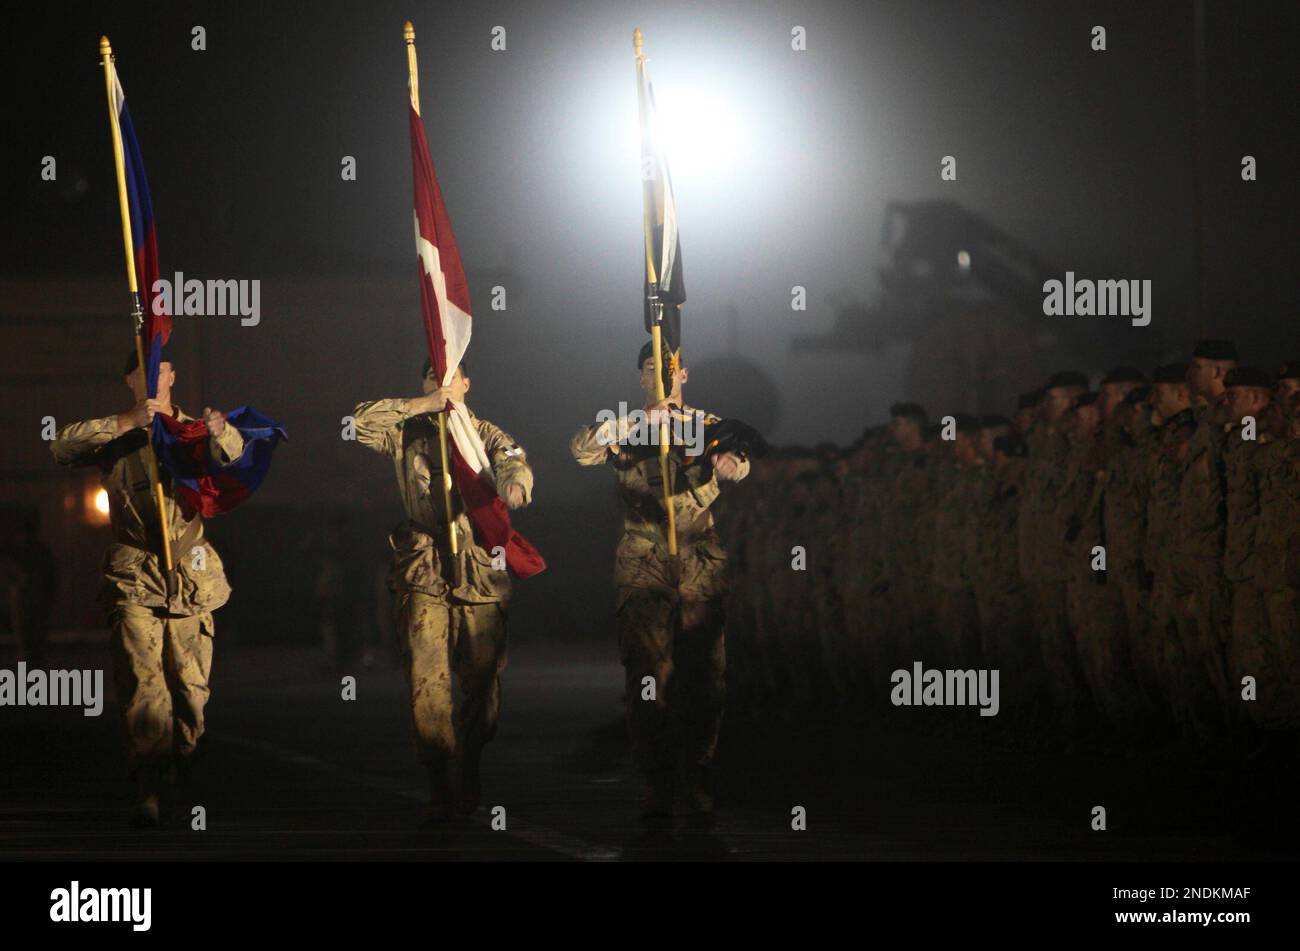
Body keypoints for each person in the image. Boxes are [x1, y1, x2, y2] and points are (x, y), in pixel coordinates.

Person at [51, 351, 244, 826]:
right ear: (130, 380)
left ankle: (186, 763)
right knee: (142, 685)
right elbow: (62, 447)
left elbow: (236, 460)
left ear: (174, 376)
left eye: (162, 370)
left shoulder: (194, 430)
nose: (155, 379)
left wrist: (222, 432)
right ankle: (150, 785)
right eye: (144, 371)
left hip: (190, 574)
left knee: (191, 689)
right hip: (135, 574)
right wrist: (124, 422)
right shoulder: (118, 433)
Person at [570, 342, 749, 820]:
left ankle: (699, 773)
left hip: (697, 558)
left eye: (668, 368)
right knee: (649, 675)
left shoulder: (707, 426)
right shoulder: (625, 426)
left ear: (684, 374)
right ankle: (657, 780)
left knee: (705, 676)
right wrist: (639, 419)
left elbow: (739, 456)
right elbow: (581, 449)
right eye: (651, 368)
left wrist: (731, 465)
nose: (661, 376)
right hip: (644, 559)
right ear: (639, 376)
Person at [352, 360, 533, 821]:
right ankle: (439, 776)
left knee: (482, 681)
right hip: (424, 566)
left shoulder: (484, 434)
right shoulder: (407, 431)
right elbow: (356, 424)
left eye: (449, 376)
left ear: (467, 383)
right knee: (426, 680)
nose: (441, 382)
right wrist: (423, 405)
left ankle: (469, 761)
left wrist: (514, 486)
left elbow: (515, 462)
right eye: (432, 375)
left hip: (477, 566)